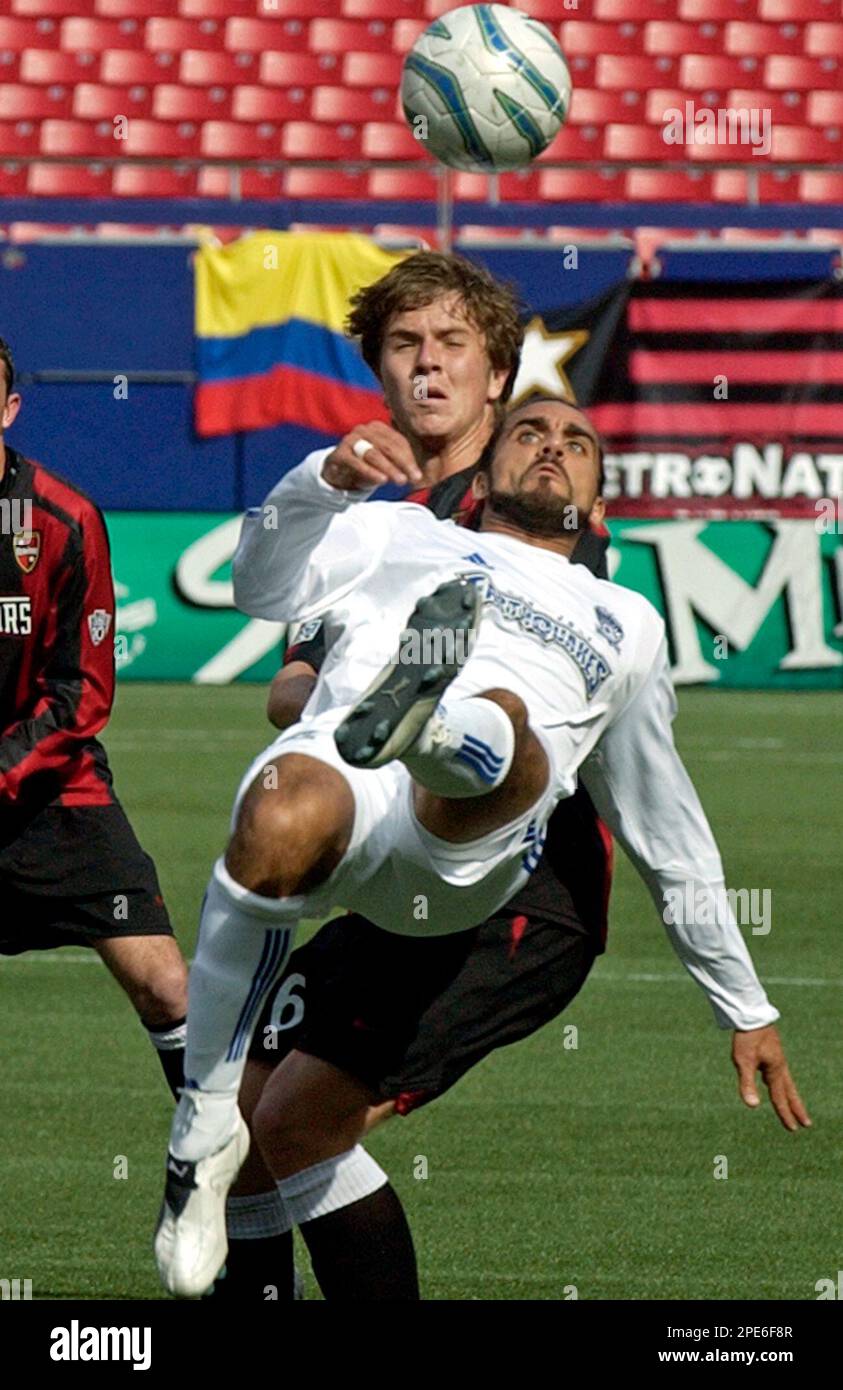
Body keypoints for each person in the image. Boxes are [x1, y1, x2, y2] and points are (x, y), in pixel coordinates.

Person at [155, 393, 808, 1300]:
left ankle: (432, 721)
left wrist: (743, 1003)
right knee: (275, 819)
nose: (551, 448)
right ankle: (203, 1129)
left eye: (576, 442)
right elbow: (259, 585)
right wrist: (319, 481)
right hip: (348, 783)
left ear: (601, 504)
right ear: (485, 471)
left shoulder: (623, 621)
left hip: (465, 853)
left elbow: (665, 827)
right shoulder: (396, 536)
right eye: (529, 434)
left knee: (505, 721)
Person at [219, 251, 616, 1304]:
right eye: (405, 348)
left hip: (521, 887)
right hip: (397, 860)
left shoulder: (538, 493)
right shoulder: (362, 522)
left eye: (452, 346)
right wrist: (350, 695)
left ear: (499, 374)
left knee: (295, 1120)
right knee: (235, 1115)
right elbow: (286, 685)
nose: (428, 368)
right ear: (380, 374)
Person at [0, 334, 188, 1098]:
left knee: (169, 989)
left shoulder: (62, 519)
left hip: (51, 799)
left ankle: (228, 1182)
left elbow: (83, 694)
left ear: (9, 408)